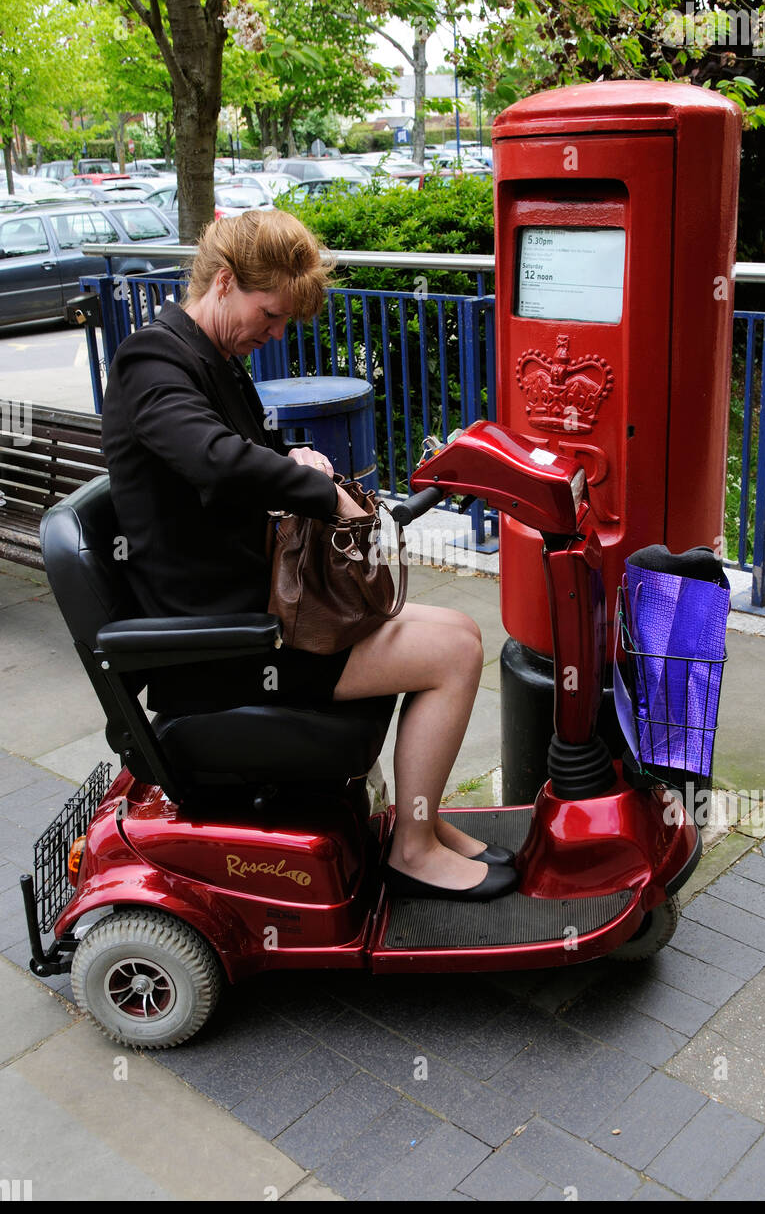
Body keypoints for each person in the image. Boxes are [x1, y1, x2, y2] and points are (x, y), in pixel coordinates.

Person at [102, 209, 517, 901]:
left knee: (459, 631)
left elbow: (237, 453)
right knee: (451, 655)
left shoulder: (210, 357)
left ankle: (423, 823)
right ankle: (412, 850)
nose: (275, 334)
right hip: (219, 644)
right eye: (270, 315)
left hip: (251, 610)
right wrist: (328, 498)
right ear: (225, 282)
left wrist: (290, 457)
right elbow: (212, 459)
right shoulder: (153, 361)